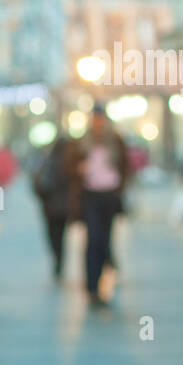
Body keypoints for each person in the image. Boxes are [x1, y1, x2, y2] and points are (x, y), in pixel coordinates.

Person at [66, 104, 129, 305]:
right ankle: (91, 287)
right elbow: (68, 167)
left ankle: (103, 280)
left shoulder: (115, 140)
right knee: (93, 238)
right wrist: (79, 170)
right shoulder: (82, 141)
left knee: (105, 240)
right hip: (90, 194)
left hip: (109, 194)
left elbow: (125, 165)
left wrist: (120, 184)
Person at [31, 131, 73, 281]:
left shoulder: (47, 162)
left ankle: (57, 258)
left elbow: (37, 182)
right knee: (61, 236)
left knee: (53, 236)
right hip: (63, 208)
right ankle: (59, 259)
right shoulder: (68, 165)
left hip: (50, 207)